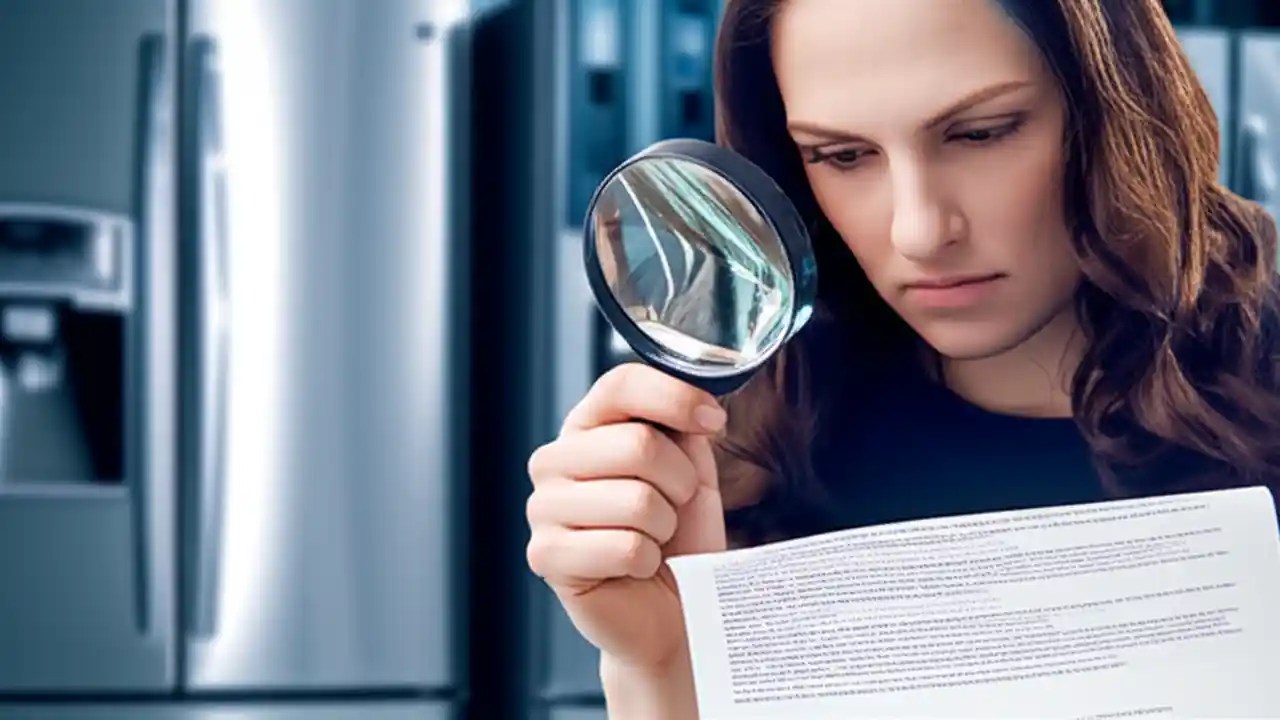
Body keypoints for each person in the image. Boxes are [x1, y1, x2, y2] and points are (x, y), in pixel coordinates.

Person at [524, 0, 1280, 716]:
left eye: (981, 132)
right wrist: (657, 668)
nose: (920, 231)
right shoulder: (755, 445)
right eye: (844, 154)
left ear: (1115, 110)